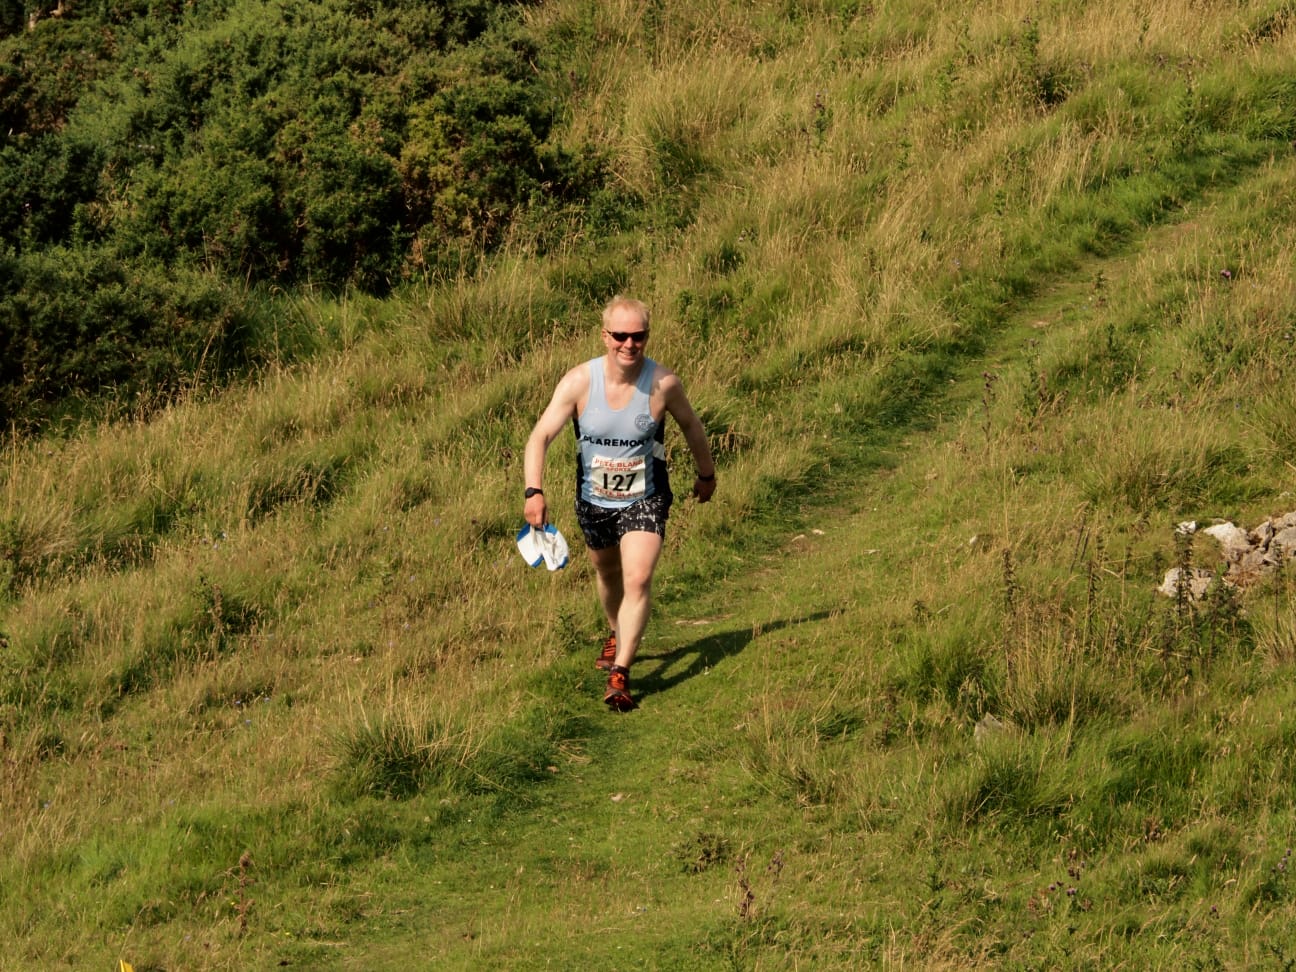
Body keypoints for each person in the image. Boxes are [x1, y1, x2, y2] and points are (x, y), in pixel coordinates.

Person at [523, 297, 717, 711]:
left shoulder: (663, 383)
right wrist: (533, 491)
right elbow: (539, 437)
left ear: (647, 336)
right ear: (605, 336)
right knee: (607, 574)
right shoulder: (578, 382)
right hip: (593, 500)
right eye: (621, 336)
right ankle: (617, 631)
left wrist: (706, 474)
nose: (630, 344)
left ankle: (621, 672)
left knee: (638, 578)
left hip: (645, 497)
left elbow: (691, 426)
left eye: (639, 336)